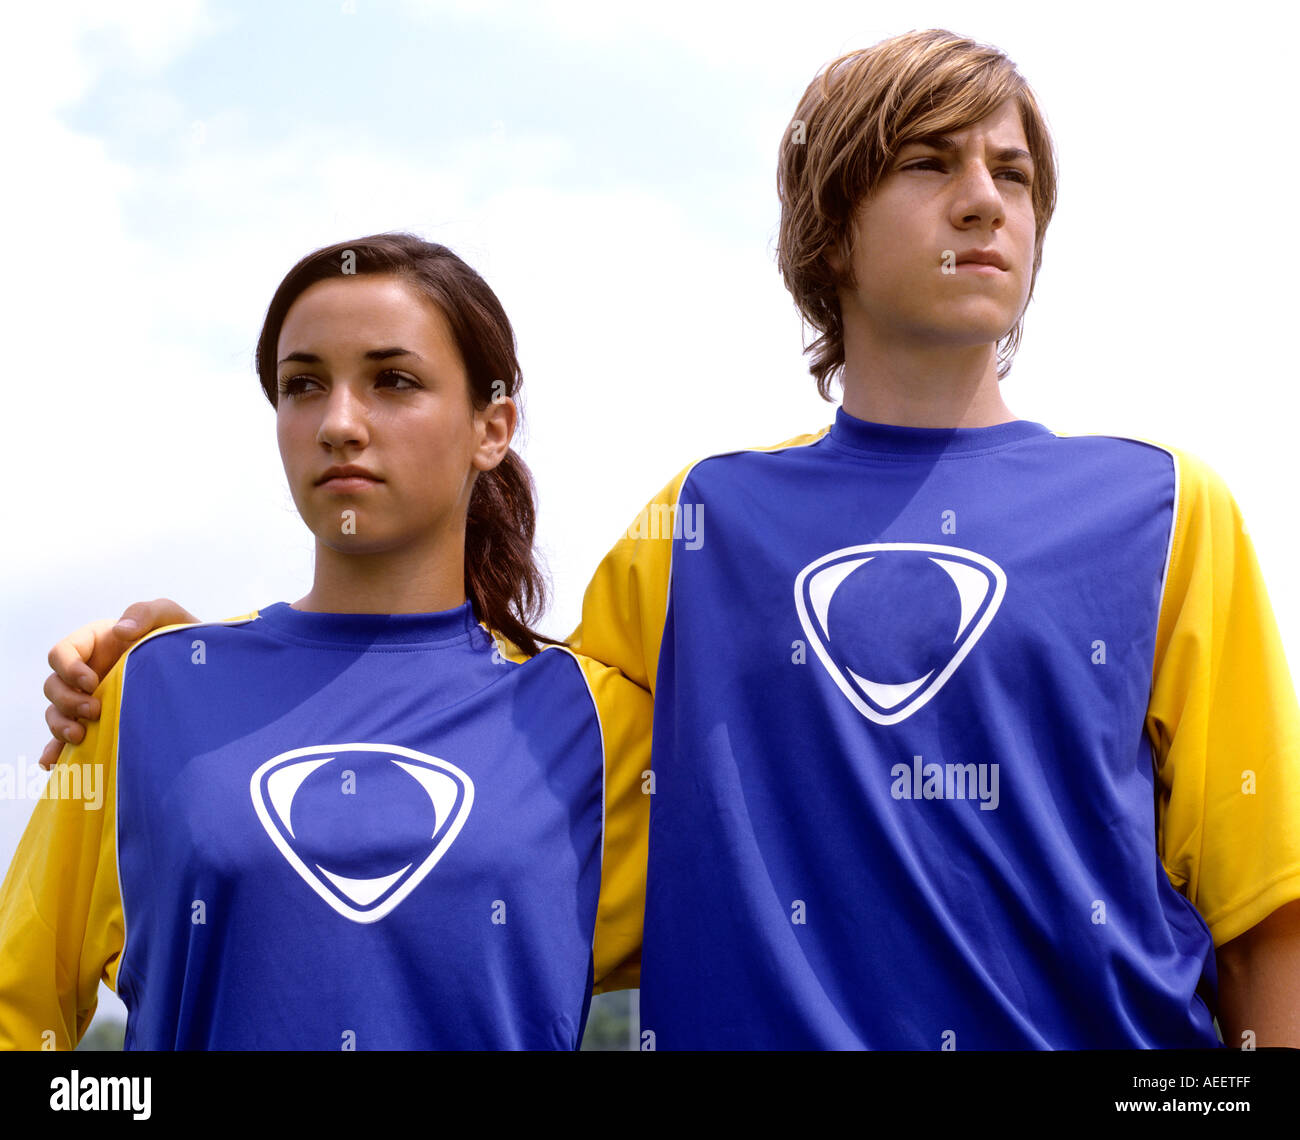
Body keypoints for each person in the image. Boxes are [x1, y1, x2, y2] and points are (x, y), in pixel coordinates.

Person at [36, 30, 1300, 1050]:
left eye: (1011, 172)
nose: (983, 200)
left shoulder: (1167, 506)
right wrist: (183, 674)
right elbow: (474, 735)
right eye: (928, 162)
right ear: (828, 228)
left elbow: (1263, 918)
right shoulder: (696, 529)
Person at [1, 233, 649, 1050]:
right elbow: (18, 1020)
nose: (339, 423)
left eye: (394, 381)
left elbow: (803, 921)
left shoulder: (597, 726)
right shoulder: (144, 693)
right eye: (303, 385)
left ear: (492, 428)